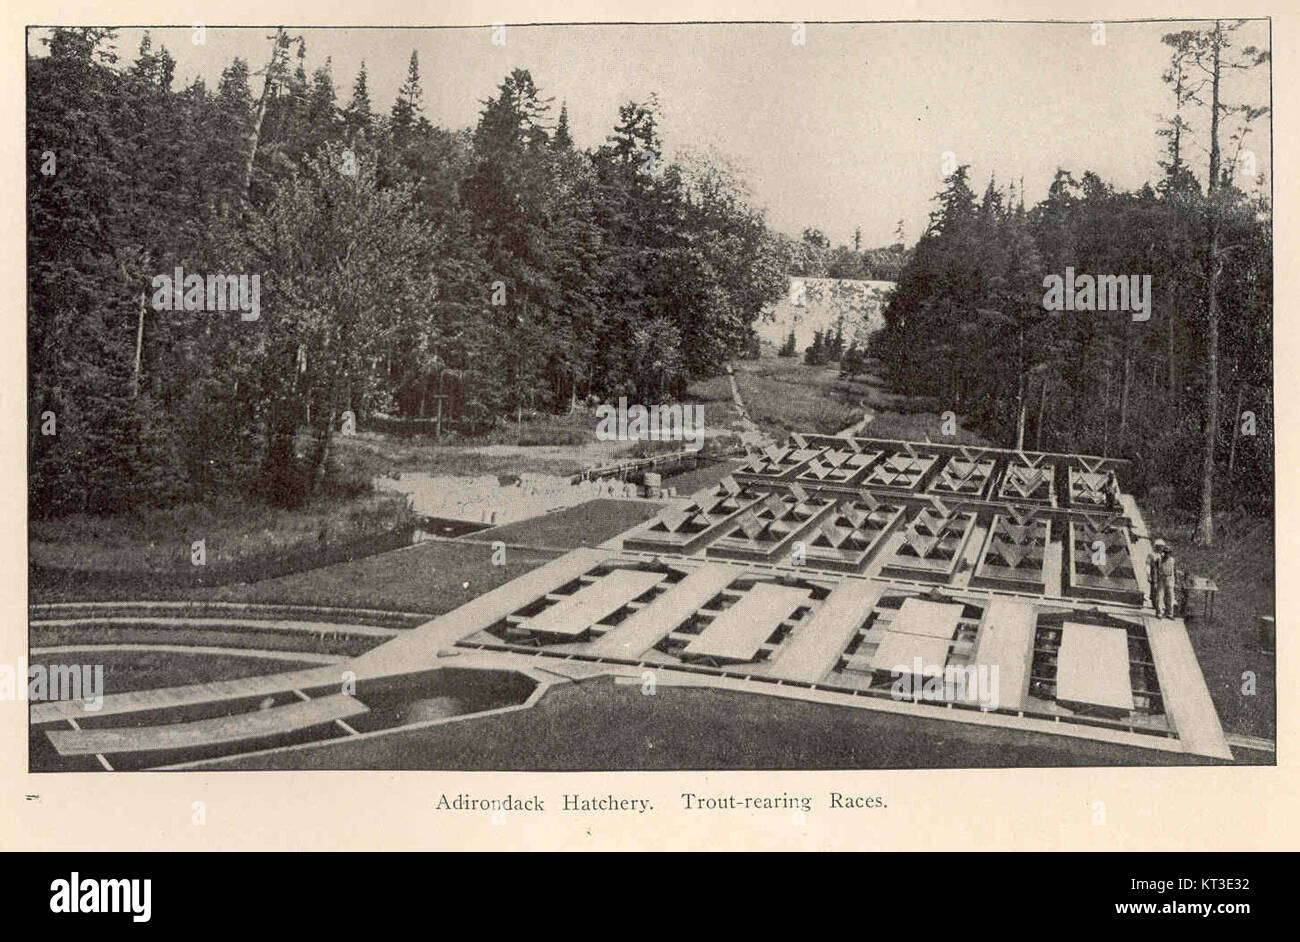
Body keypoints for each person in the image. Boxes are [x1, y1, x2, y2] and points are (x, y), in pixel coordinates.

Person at [1148, 538, 1178, 618]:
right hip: (1161, 579)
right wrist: (1153, 578)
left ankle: (1169, 613)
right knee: (1160, 596)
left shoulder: (1172, 560)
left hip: (1170, 580)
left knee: (1170, 597)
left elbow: (1174, 570)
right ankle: (1159, 612)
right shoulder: (1159, 559)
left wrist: (1176, 581)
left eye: (1169, 553)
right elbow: (1154, 569)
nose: (1167, 554)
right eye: (1165, 552)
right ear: (1163, 553)